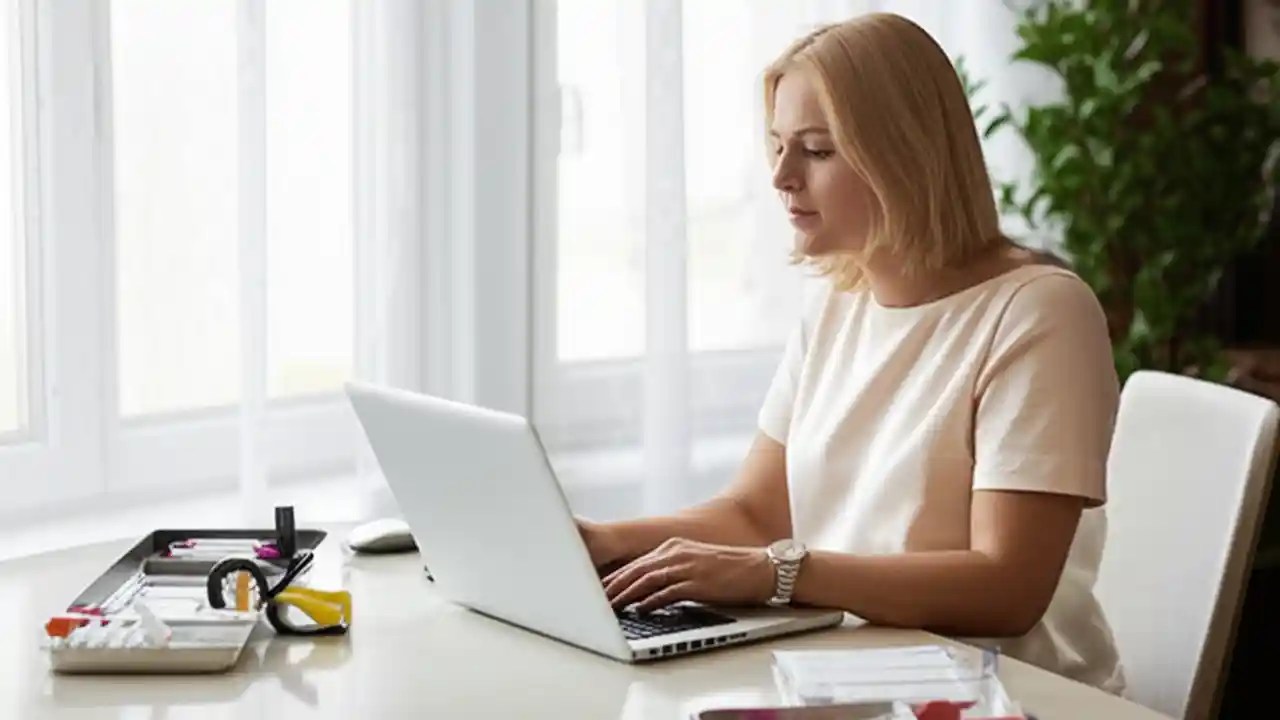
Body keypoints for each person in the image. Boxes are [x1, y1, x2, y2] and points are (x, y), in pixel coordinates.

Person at [577, 12, 1126, 695]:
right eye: (777, 144)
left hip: (1008, 696)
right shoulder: (840, 302)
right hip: (860, 682)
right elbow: (755, 514)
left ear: (906, 154)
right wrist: (602, 540)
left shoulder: (1039, 311)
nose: (780, 176)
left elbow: (1007, 586)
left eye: (817, 149)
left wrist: (778, 574)